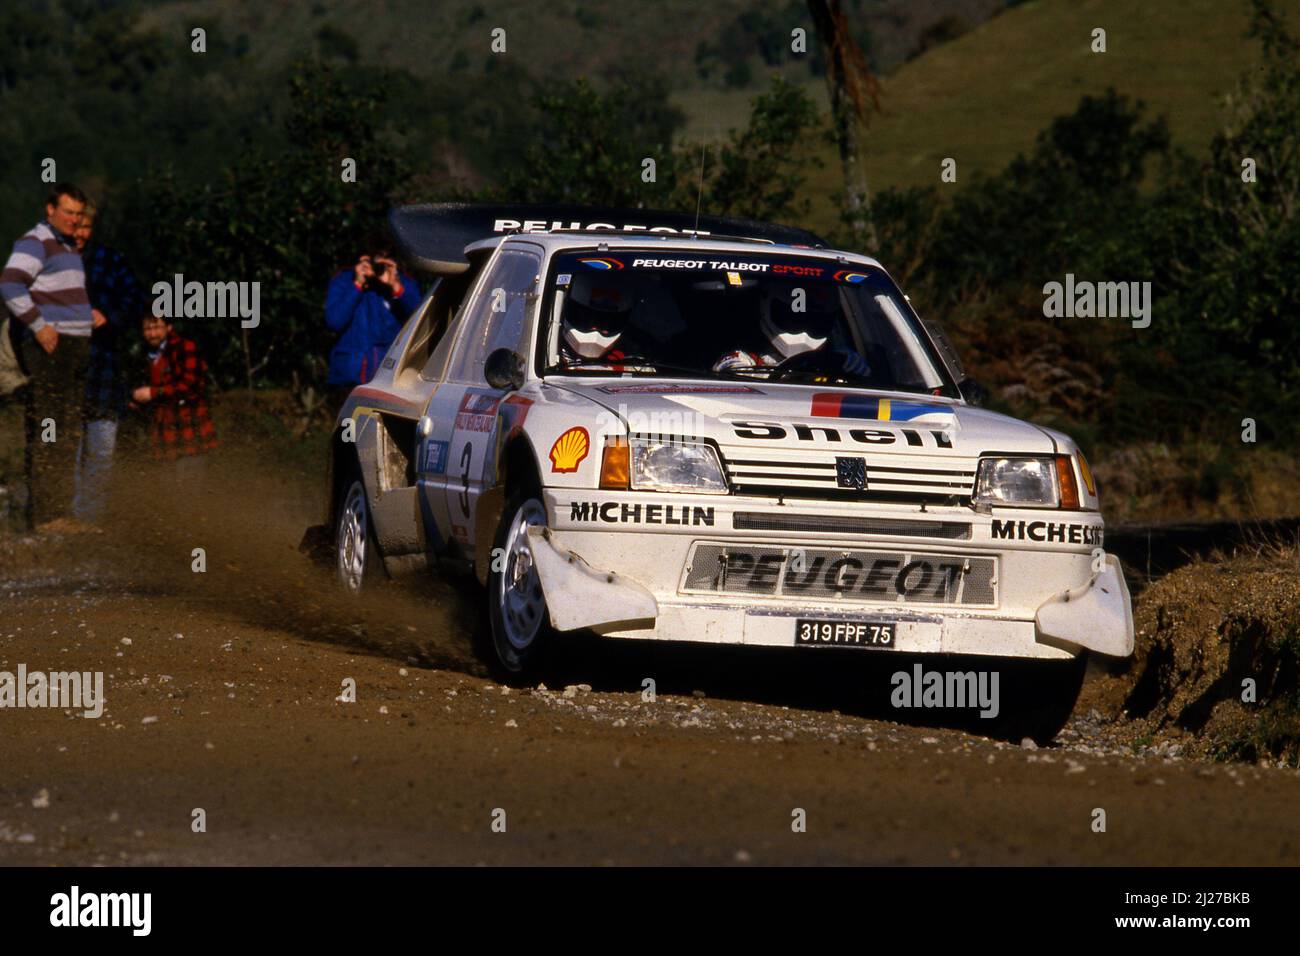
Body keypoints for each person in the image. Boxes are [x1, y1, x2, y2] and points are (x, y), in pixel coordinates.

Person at [0, 183, 93, 532]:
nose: (74, 220)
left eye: (79, 214)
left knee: (67, 432)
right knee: (50, 429)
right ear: (50, 209)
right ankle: (45, 516)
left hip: (74, 345)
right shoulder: (35, 241)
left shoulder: (68, 245)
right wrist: (39, 326)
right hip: (51, 346)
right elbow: (10, 283)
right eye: (68, 212)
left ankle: (60, 512)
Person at [72, 199, 144, 524]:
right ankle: (62, 518)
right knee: (64, 449)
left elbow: (137, 302)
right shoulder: (49, 261)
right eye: (74, 226)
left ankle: (90, 520)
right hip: (63, 373)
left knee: (101, 450)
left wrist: (108, 317)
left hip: (103, 370)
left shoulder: (109, 260)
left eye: (85, 227)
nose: (80, 233)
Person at [324, 249, 420, 413]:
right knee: (347, 434)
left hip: (388, 379)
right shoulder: (345, 280)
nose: (377, 269)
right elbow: (334, 321)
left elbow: (419, 320)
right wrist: (357, 285)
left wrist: (396, 287)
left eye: (383, 263)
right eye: (374, 262)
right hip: (349, 377)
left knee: (379, 435)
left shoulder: (402, 282)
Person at [712, 284, 871, 379]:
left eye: (814, 320)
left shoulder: (845, 361)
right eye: (795, 318)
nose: (804, 331)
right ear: (767, 307)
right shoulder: (740, 362)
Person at [130, 312, 217, 479]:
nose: (152, 333)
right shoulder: (144, 354)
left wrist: (153, 393)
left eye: (156, 327)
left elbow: (190, 387)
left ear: (169, 327)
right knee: (167, 496)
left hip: (190, 436)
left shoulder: (185, 348)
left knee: (188, 494)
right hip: (162, 440)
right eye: (147, 329)